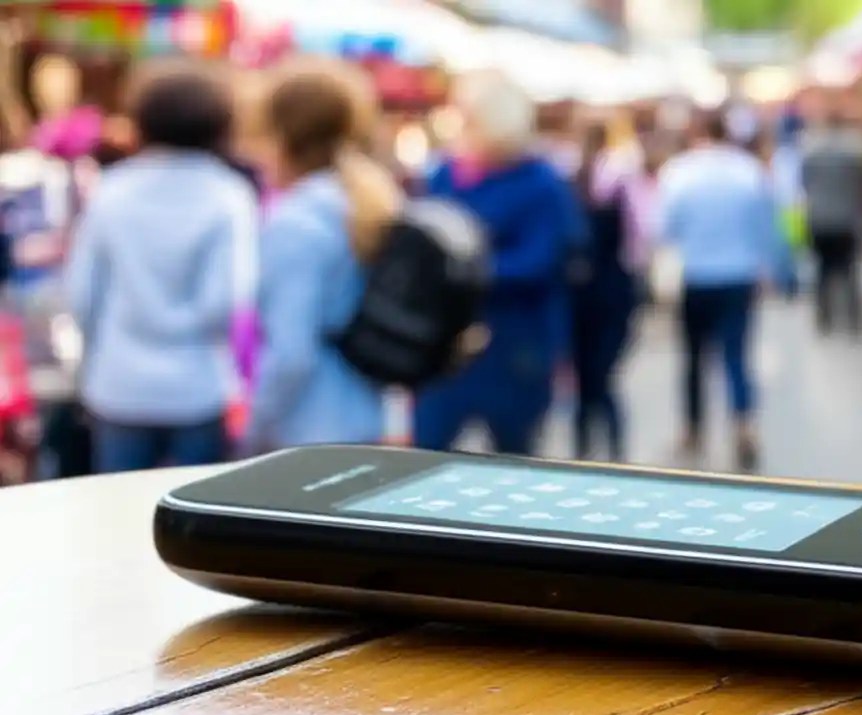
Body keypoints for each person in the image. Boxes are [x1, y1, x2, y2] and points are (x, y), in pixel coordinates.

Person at [65, 60, 253, 472]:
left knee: (115, 510)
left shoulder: (112, 191)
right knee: (193, 516)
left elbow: (81, 294)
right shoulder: (228, 196)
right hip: (198, 385)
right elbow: (227, 299)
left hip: (119, 382)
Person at [414, 72, 585, 456]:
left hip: (514, 343)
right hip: (448, 344)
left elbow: (540, 262)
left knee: (514, 453)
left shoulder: (540, 184)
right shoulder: (446, 172)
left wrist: (464, 271)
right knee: (426, 449)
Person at [246, 59, 401, 450]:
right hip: (363, 413)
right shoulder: (362, 201)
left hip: (308, 431)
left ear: (281, 135)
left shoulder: (296, 221)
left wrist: (256, 426)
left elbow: (290, 353)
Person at [658, 113, 785, 471]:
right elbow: (766, 228)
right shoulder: (750, 172)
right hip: (738, 275)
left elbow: (664, 227)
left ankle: (693, 427)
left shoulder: (679, 172)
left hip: (695, 276)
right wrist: (770, 270)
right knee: (736, 355)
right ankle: (743, 424)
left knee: (693, 357)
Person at [570, 123, 637, 461]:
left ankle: (584, 449)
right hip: (611, 291)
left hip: (580, 294)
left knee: (586, 379)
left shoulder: (572, 180)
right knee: (602, 377)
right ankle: (613, 449)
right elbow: (639, 236)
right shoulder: (620, 179)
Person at [800, 99, 862, 335]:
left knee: (822, 271)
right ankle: (853, 320)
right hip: (847, 218)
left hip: (819, 218)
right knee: (849, 271)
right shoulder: (854, 150)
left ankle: (824, 318)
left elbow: (805, 183)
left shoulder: (810, 148)